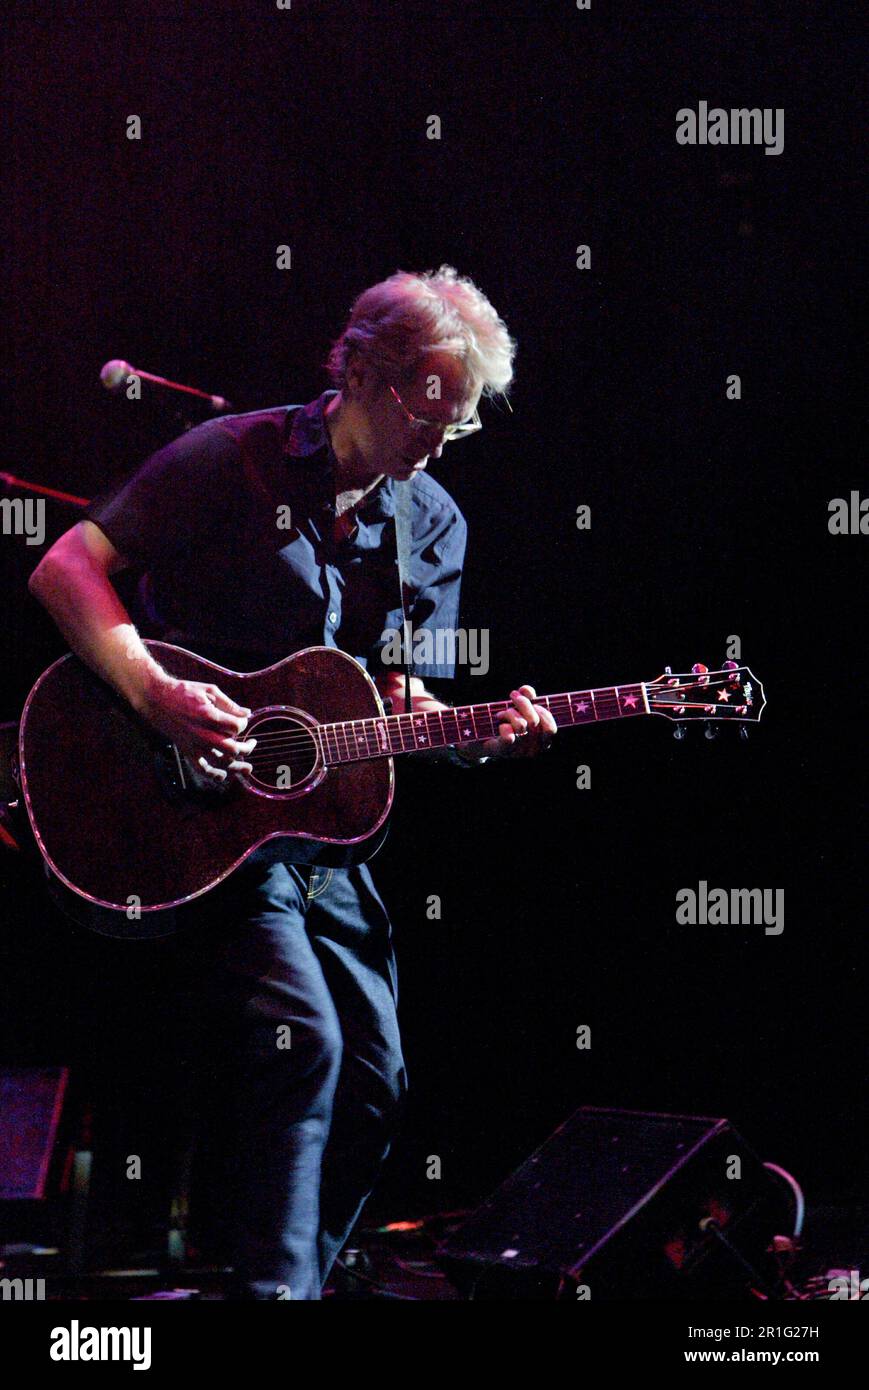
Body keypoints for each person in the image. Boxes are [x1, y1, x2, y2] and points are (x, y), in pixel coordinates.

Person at [27, 264, 559, 1299]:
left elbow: (399, 700)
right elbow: (66, 567)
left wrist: (478, 734)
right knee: (304, 1042)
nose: (441, 440)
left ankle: (280, 1288)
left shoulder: (433, 523)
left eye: (463, 420)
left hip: (320, 842)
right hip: (190, 808)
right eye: (428, 408)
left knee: (376, 1085)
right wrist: (153, 692)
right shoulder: (232, 458)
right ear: (360, 369)